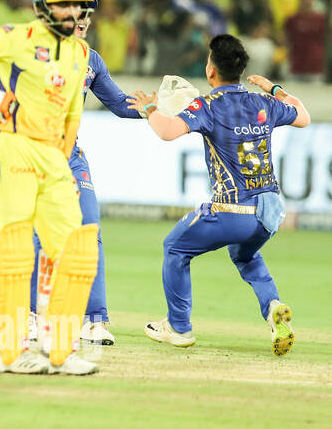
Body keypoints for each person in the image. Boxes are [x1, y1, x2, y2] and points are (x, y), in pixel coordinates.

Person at [0, 0, 101, 376]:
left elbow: (72, 117)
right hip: (13, 144)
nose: (73, 13)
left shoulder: (81, 54)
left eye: (78, 5)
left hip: (54, 158)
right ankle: (10, 352)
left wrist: (64, 163)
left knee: (77, 250)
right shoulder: (19, 36)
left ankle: (61, 351)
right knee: (15, 248)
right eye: (64, 5)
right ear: (43, 7)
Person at [129, 35, 310, 355]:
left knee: (174, 247)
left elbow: (167, 132)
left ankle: (179, 327)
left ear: (211, 70)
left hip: (232, 211)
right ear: (241, 70)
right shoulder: (263, 102)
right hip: (269, 212)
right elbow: (303, 116)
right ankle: (273, 307)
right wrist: (275, 88)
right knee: (246, 256)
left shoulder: (207, 105)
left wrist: (150, 109)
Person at [29, 4, 142, 349]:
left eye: (86, 17)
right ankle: (33, 318)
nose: (82, 22)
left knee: (89, 230)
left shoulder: (91, 59)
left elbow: (120, 104)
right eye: (74, 15)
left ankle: (95, 321)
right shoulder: (38, 54)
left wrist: (156, 109)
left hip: (71, 157)